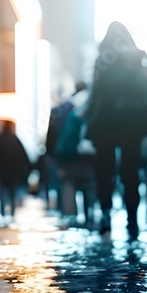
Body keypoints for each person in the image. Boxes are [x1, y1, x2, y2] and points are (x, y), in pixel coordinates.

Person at [83, 21, 147, 238]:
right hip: (132, 126)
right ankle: (132, 220)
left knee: (104, 174)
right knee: (131, 175)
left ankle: (106, 215)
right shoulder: (139, 58)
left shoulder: (103, 60)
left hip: (105, 126)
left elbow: (95, 95)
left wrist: (87, 121)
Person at [53, 88, 98, 227]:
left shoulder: (70, 116)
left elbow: (61, 144)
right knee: (87, 193)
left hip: (72, 165)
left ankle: (73, 221)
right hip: (84, 165)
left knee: (70, 196)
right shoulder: (85, 116)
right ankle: (86, 219)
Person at [0, 122, 32, 219]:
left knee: (2, 192)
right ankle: (12, 214)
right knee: (12, 193)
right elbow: (24, 157)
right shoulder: (15, 140)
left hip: (1, 171)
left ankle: (2, 213)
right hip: (14, 172)